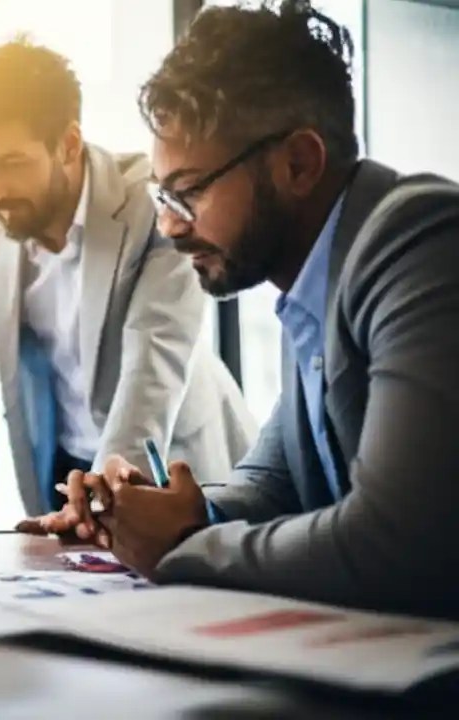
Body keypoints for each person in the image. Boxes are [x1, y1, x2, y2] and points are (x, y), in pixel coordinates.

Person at [34, 0, 459, 619]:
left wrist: (187, 545)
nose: (168, 226)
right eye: (161, 194)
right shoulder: (313, 282)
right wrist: (160, 511)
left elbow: (394, 540)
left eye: (189, 191)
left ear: (298, 164)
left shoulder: (419, 244)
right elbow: (274, 484)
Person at [0, 40, 255, 526]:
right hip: (66, 469)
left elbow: (153, 359)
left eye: (13, 164)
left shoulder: (149, 204)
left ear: (69, 144)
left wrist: (109, 496)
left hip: (173, 459)